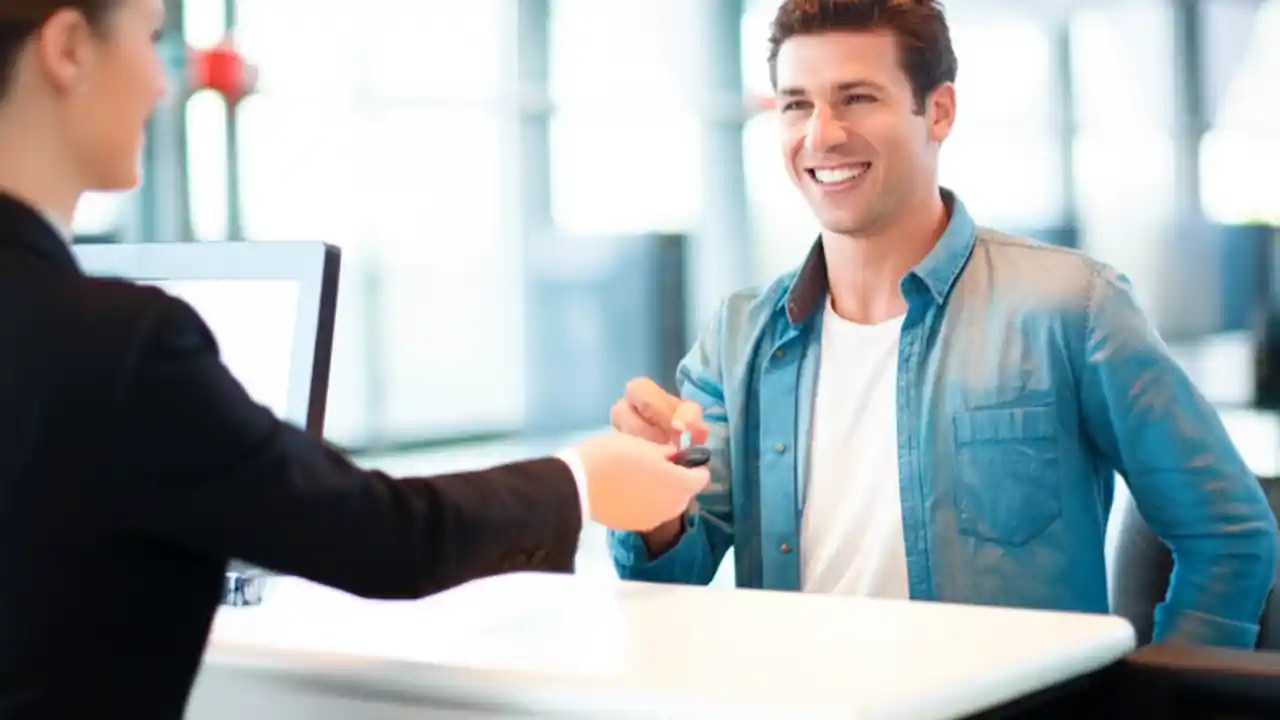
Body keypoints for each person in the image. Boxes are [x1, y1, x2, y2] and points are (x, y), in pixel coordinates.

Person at [0, 1, 710, 717]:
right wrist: (581, 481)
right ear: (67, 48)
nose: (162, 82)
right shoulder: (121, 343)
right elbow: (382, 535)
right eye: (152, 40)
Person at [608, 0, 1278, 649]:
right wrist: (652, 496)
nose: (821, 134)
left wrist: (1167, 701)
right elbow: (668, 576)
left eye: (857, 97)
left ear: (939, 111)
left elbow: (1227, 533)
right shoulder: (736, 338)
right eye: (797, 103)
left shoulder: (1072, 306)